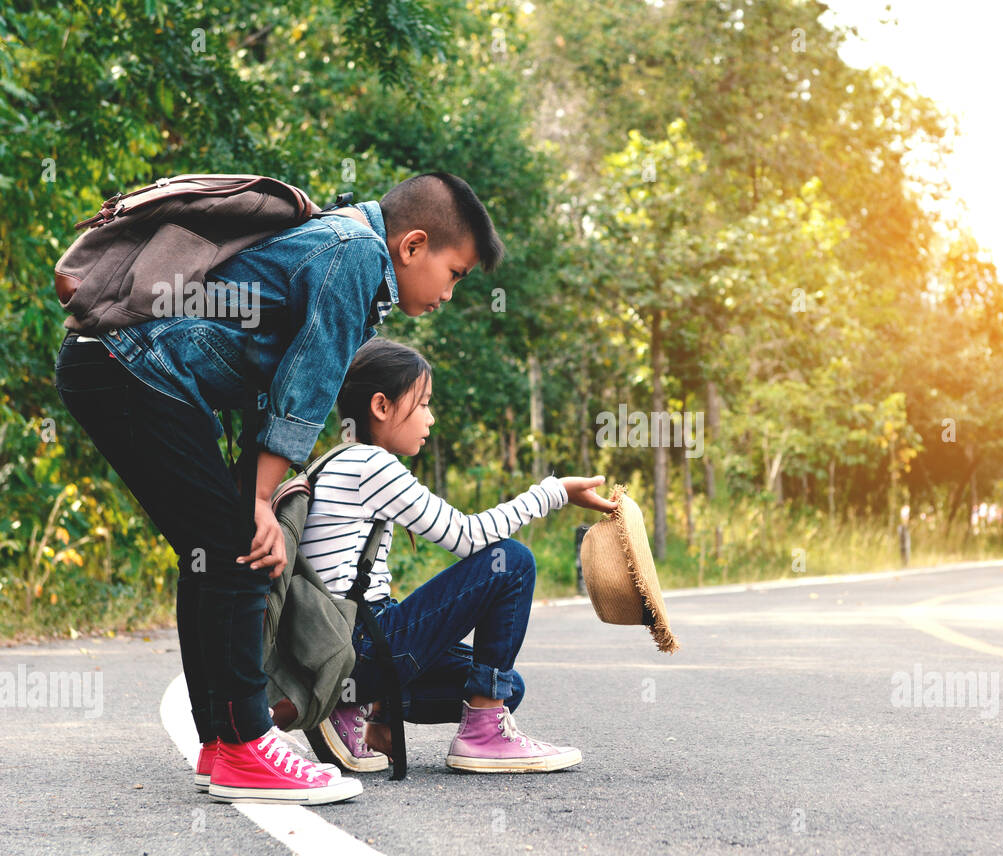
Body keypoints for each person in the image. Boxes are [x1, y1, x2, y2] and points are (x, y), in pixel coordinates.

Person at [54, 172, 503, 804]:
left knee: (217, 553)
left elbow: (263, 383)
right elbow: (304, 389)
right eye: (454, 273)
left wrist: (256, 494)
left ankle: (223, 743)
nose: (450, 294)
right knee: (239, 547)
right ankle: (246, 747)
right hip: (129, 369)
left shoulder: (345, 247)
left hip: (119, 368)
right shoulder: (354, 254)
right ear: (413, 245)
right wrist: (259, 503)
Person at [297, 338, 615, 773]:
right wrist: (552, 492)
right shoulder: (371, 465)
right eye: (423, 403)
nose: (430, 417)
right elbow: (466, 537)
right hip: (358, 645)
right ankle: (482, 734)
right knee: (513, 563)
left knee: (505, 685)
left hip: (336, 649)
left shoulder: (334, 461)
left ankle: (365, 709)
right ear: (381, 406)